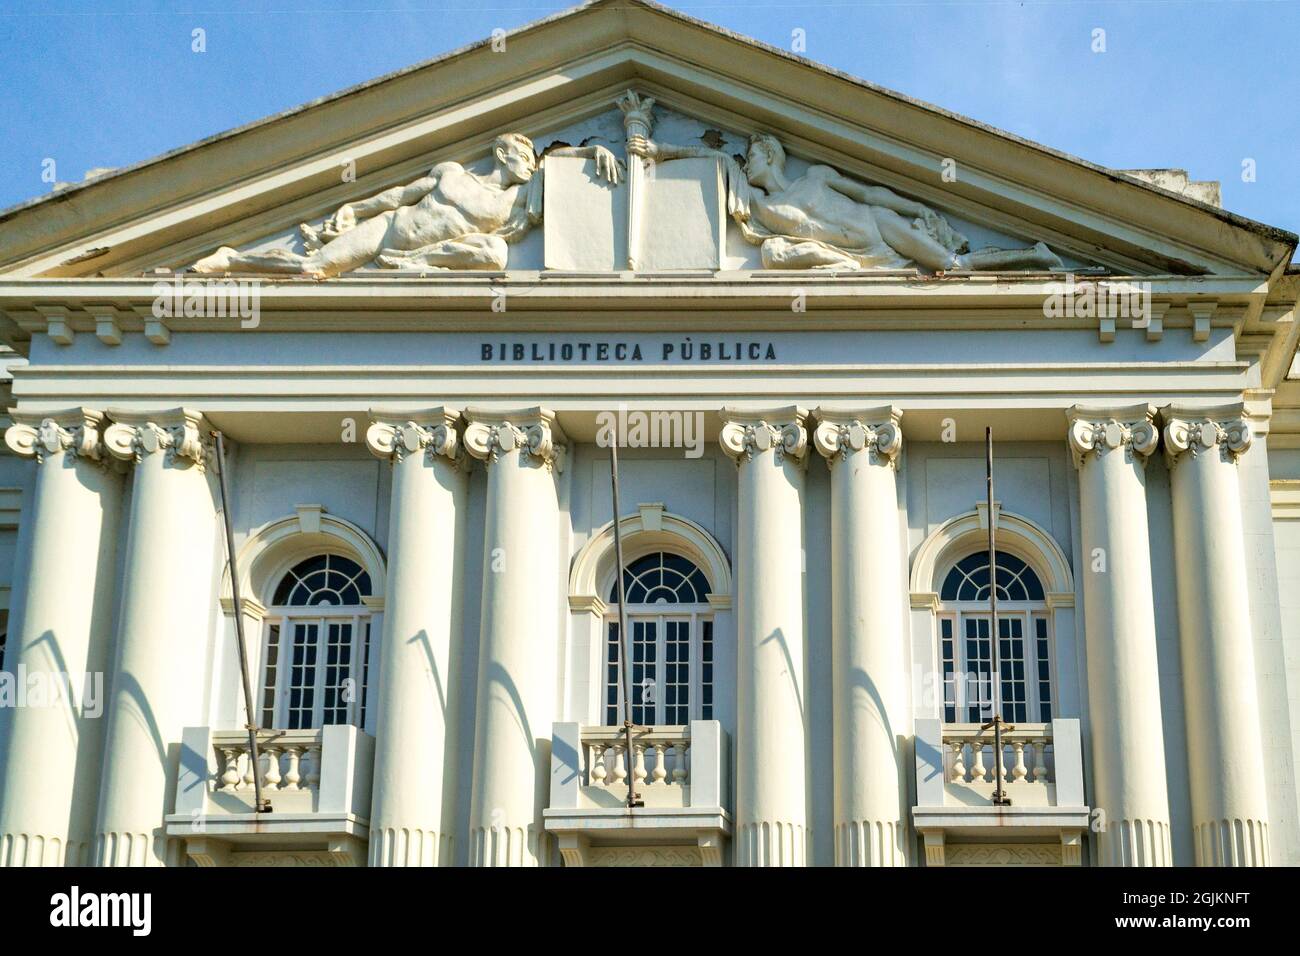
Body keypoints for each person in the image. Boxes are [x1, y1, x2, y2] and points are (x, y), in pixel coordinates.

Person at [193, 133, 623, 277]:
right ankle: (233, 259)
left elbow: (559, 161)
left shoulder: (514, 201)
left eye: (533, 159)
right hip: (388, 230)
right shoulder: (452, 172)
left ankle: (416, 264)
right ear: (502, 153)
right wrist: (357, 210)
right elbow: (399, 196)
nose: (531, 164)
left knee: (496, 253)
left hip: (420, 252)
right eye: (524, 156)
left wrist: (596, 149)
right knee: (312, 269)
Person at [628, 131, 1061, 272]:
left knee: (952, 265)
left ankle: (1032, 255)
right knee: (772, 251)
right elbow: (717, 158)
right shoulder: (762, 208)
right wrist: (660, 151)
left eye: (754, 156)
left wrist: (914, 209)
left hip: (879, 224)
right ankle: (843, 267)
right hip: (859, 252)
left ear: (772, 156)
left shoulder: (815, 175)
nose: (748, 165)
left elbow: (870, 193)